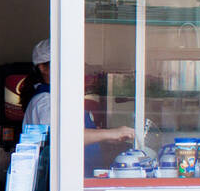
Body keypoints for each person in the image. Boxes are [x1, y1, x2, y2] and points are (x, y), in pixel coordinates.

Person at [24, 38, 136, 171]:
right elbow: (64, 138)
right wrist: (111, 133)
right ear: (43, 68)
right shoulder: (45, 101)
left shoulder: (64, 98)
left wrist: (106, 139)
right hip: (59, 182)